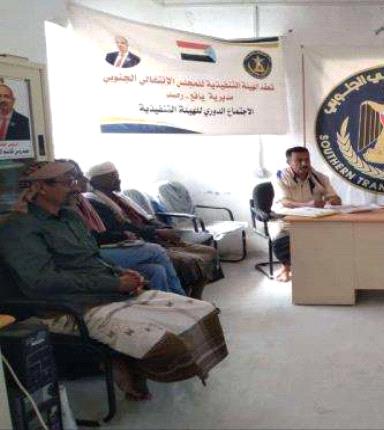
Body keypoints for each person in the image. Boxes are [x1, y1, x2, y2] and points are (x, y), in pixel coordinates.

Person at [0, 161, 228, 400]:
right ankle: (124, 362)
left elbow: (94, 258)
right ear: (41, 188)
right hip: (67, 306)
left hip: (105, 292)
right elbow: (42, 282)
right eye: (67, 183)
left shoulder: (70, 217)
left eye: (75, 181)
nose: (76, 188)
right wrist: (114, 284)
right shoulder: (19, 229)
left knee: (202, 312)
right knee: (166, 345)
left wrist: (120, 273)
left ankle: (126, 359)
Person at [85, 162, 222, 297]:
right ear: (97, 181)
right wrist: (156, 232)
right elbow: (125, 227)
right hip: (142, 241)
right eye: (112, 176)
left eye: (117, 175)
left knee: (210, 252)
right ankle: (181, 296)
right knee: (186, 262)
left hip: (154, 237)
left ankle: (196, 296)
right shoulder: (95, 202)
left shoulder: (120, 197)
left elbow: (146, 217)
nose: (118, 179)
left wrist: (164, 228)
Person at [57, 160, 186, 296]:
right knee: (156, 251)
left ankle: (165, 302)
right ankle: (180, 296)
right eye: (76, 178)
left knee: (156, 270)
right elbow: (93, 238)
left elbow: (98, 233)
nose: (84, 180)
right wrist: (124, 235)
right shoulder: (77, 205)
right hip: (94, 253)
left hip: (102, 248)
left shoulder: (82, 202)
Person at [271, 146, 342, 282]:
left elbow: (335, 198)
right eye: (299, 160)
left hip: (313, 219)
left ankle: (320, 269)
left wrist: (334, 200)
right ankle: (286, 267)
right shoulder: (280, 177)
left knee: (335, 236)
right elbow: (285, 202)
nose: (304, 163)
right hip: (286, 218)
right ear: (289, 162)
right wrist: (307, 204)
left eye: (307, 159)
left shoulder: (320, 178)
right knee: (282, 241)